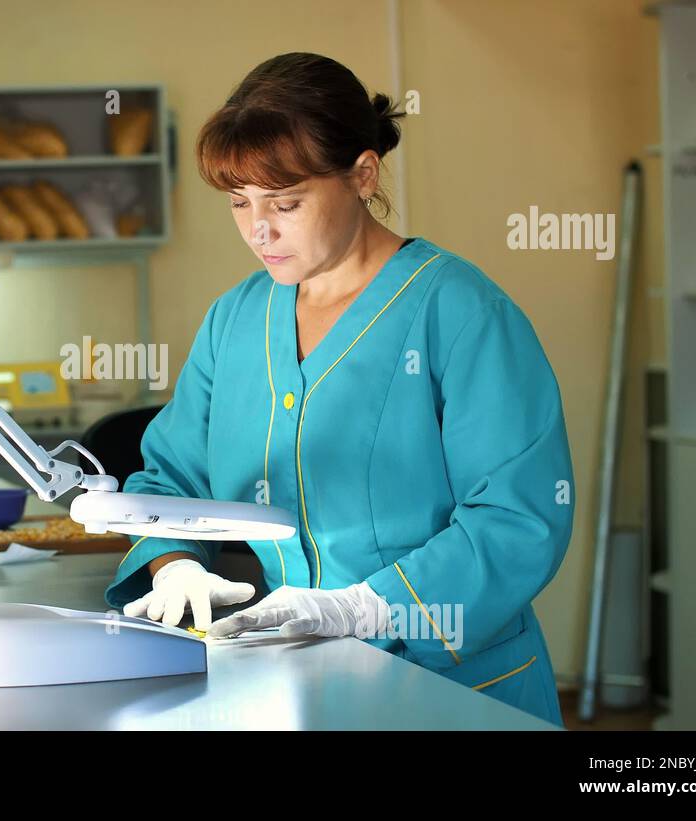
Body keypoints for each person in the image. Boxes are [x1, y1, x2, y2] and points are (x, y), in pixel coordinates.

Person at [103, 52, 574, 726]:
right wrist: (176, 564)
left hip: (455, 689)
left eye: (285, 202)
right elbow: (170, 479)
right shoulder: (234, 321)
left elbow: (519, 515)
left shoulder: (461, 313)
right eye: (239, 202)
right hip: (297, 685)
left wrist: (363, 608)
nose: (258, 229)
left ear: (363, 174)